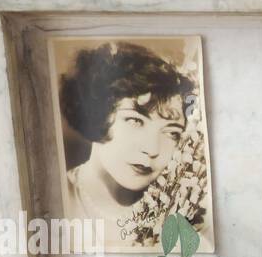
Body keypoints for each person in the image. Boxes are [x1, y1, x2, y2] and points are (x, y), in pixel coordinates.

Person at [58, 42, 196, 239]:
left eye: (172, 133)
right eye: (135, 120)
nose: (151, 148)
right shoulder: (54, 200)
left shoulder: (181, 218)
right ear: (98, 113)